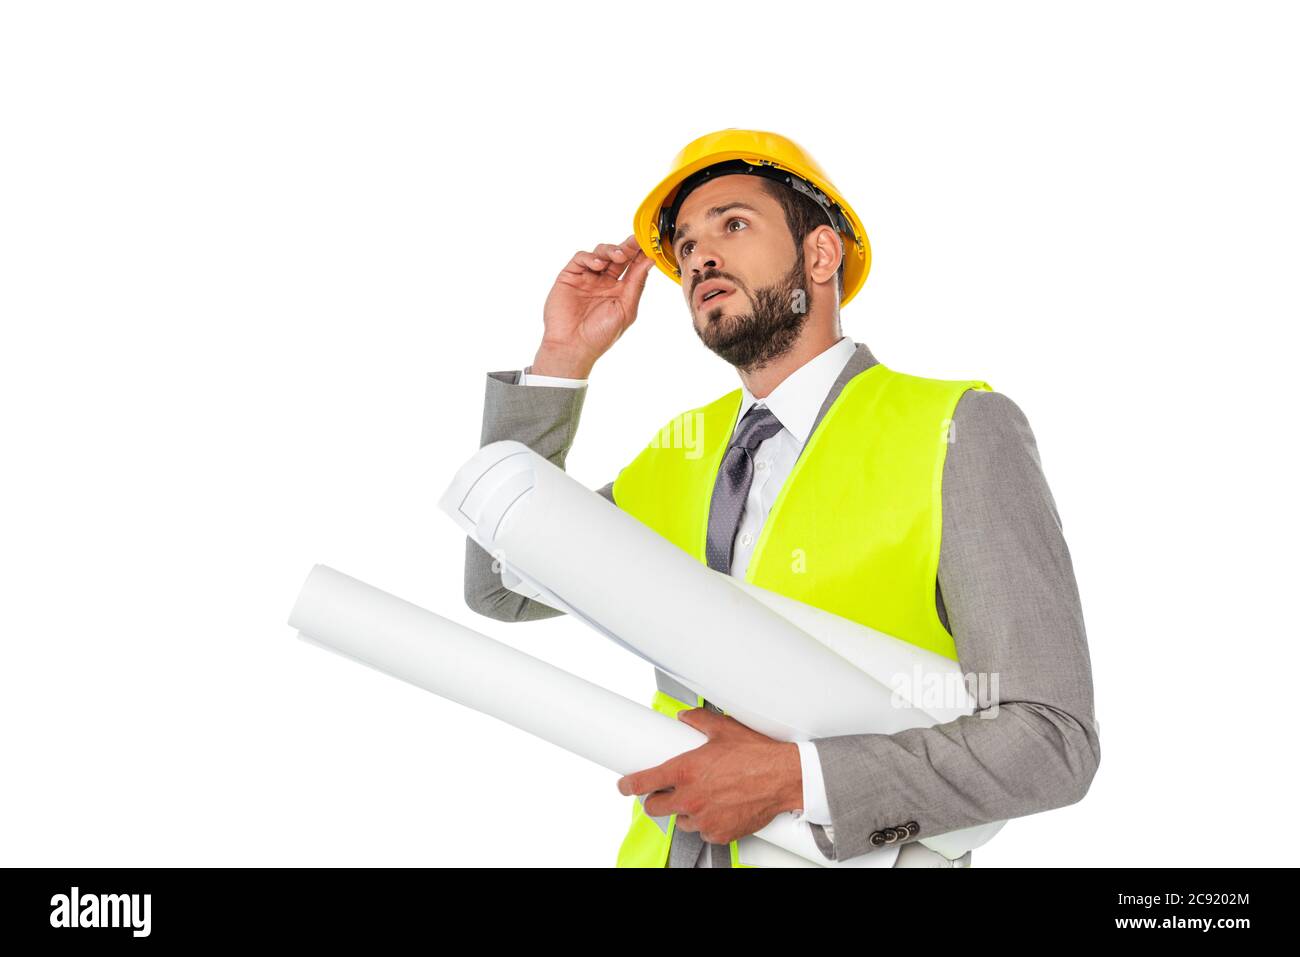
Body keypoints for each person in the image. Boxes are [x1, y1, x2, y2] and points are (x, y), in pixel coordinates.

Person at [462, 129, 1100, 868]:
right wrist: (561, 360)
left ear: (821, 255)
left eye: (732, 224)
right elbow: (499, 586)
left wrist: (799, 779)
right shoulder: (681, 451)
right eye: (686, 244)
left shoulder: (956, 431)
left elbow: (1051, 740)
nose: (700, 256)